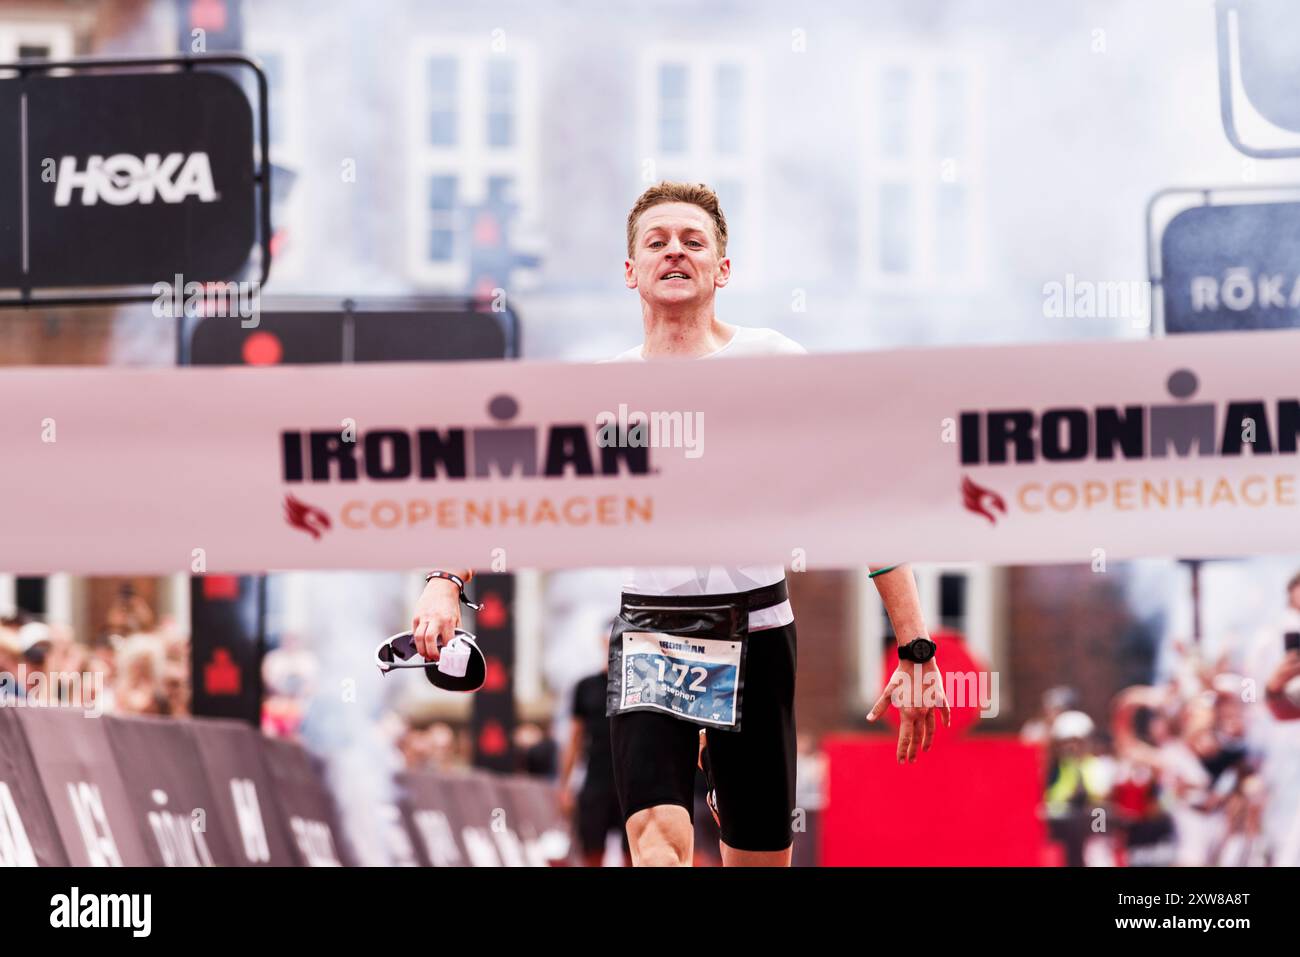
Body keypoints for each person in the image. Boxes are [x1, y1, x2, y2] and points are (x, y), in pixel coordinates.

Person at [411, 182, 949, 867]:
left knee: (756, 855)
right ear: (630, 270)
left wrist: (915, 647)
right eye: (657, 241)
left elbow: (863, 497)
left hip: (756, 629)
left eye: (693, 242)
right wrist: (442, 580)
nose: (675, 251)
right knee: (657, 843)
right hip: (652, 632)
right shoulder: (602, 393)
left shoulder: (773, 364)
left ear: (722, 269)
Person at [559, 621, 628, 866]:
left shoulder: (639, 684)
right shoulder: (586, 686)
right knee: (591, 852)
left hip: (631, 782)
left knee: (634, 853)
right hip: (595, 781)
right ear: (601, 642)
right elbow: (575, 738)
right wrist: (565, 787)